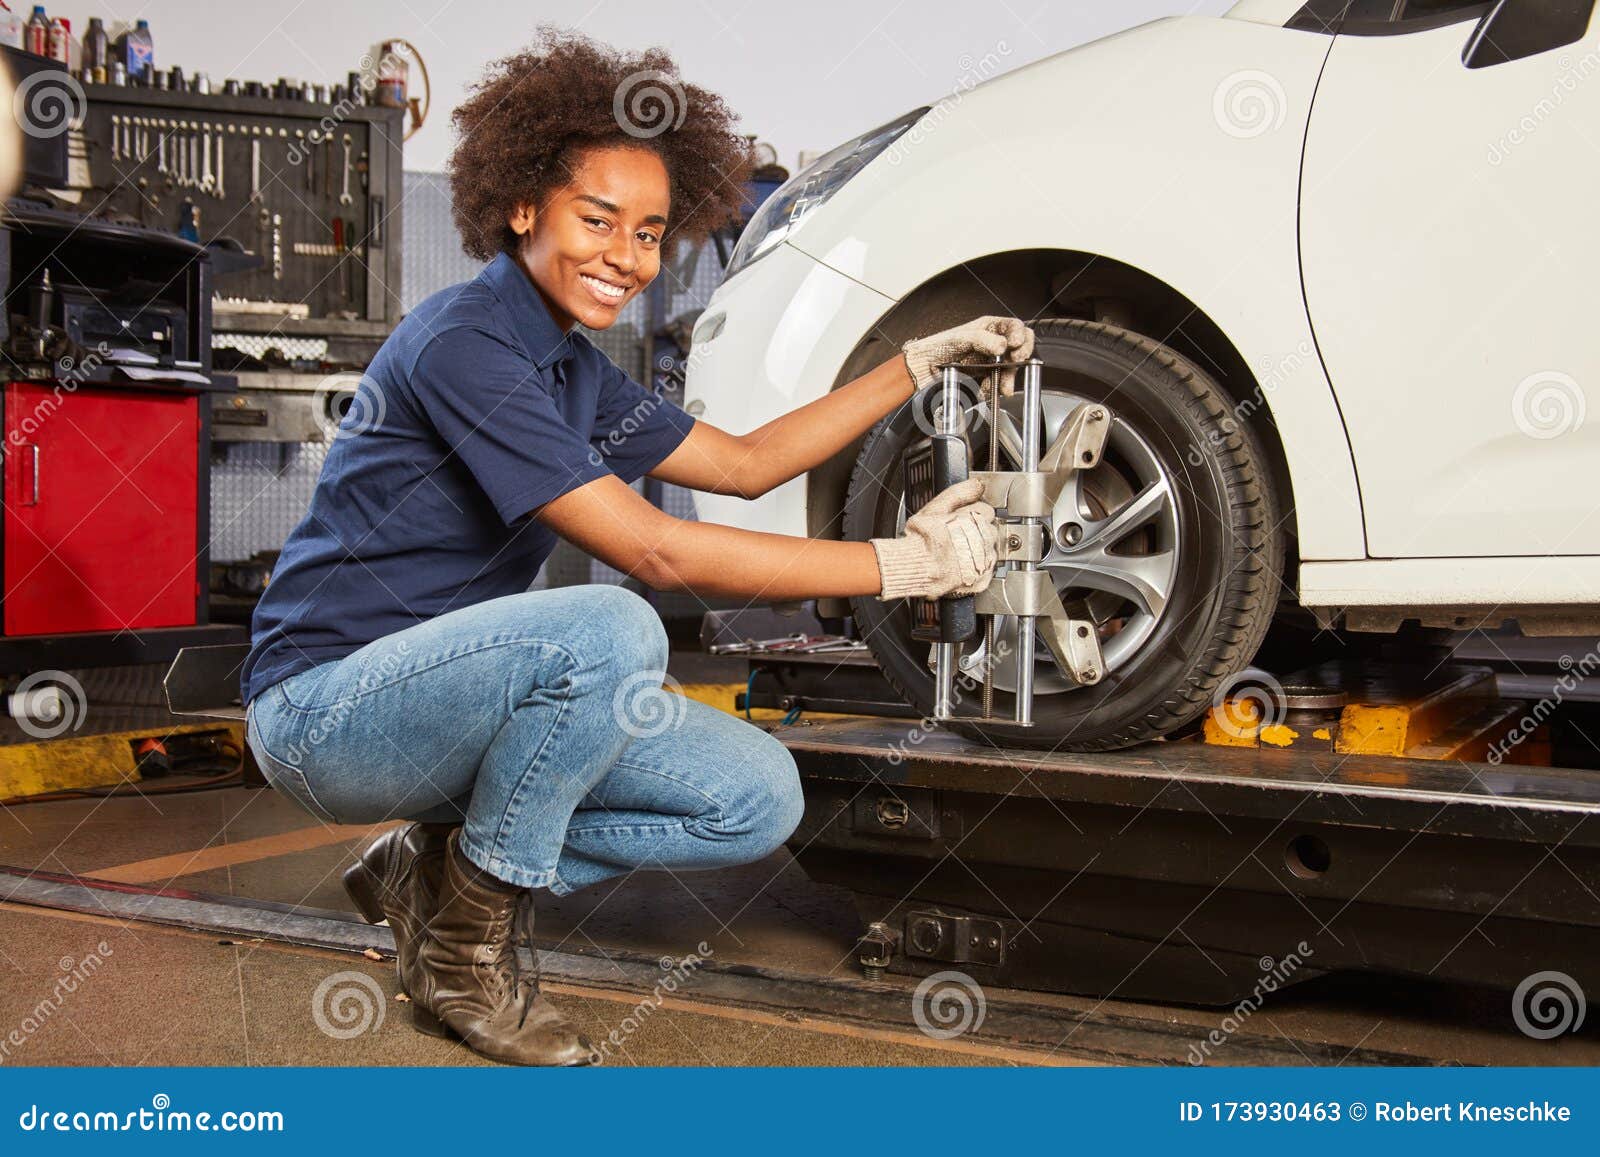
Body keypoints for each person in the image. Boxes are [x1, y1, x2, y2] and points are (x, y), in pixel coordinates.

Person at [240, 30, 1030, 1066]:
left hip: (460, 707)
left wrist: (915, 363)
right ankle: (464, 959)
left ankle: (428, 876)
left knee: (753, 797)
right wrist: (907, 564)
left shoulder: (574, 370)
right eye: (597, 219)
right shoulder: (466, 343)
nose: (626, 255)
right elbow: (656, 553)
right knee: (609, 626)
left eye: (650, 232)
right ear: (523, 207)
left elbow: (747, 462)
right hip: (324, 711)